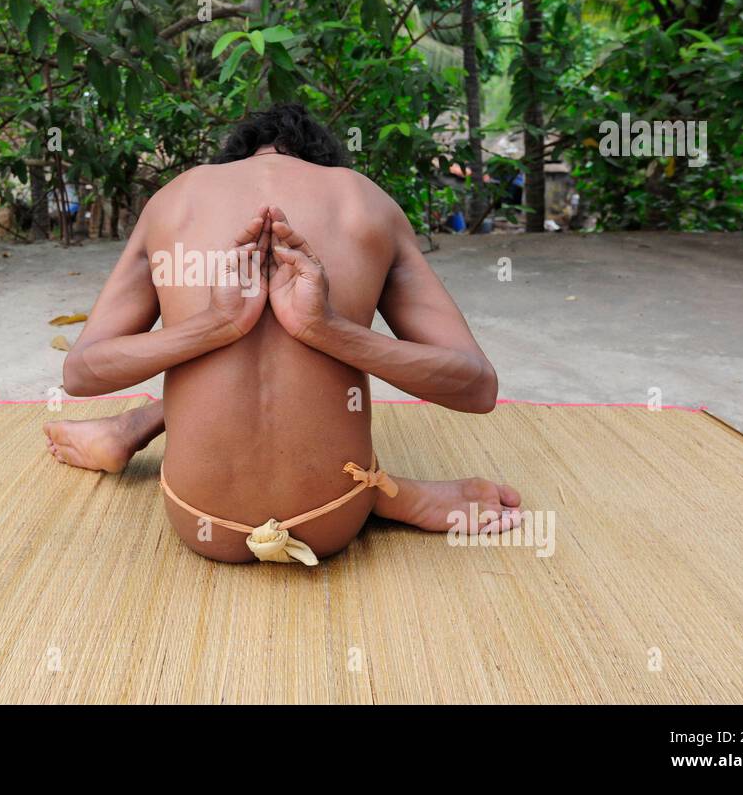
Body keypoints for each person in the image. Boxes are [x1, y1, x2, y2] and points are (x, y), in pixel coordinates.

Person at [43, 104, 521, 565]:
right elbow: (478, 388)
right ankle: (388, 493)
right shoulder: (363, 199)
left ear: (236, 158)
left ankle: (131, 425)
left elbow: (81, 373)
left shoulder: (175, 199)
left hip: (197, 517)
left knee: (211, 374)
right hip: (335, 515)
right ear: (321, 160)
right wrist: (331, 331)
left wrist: (213, 326)